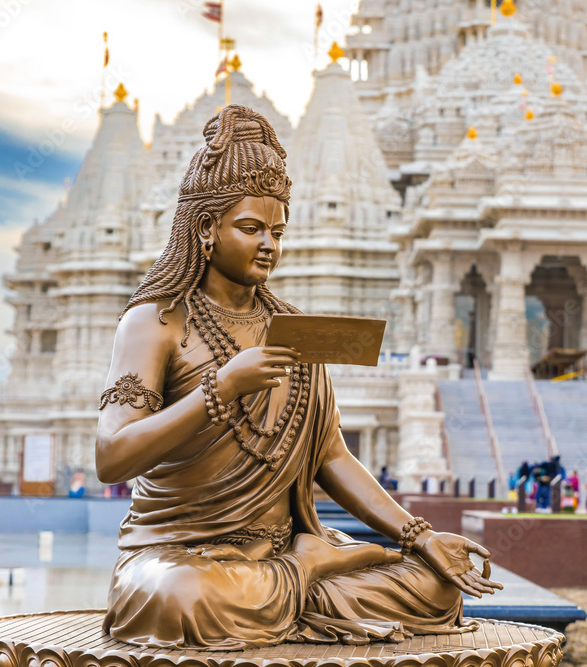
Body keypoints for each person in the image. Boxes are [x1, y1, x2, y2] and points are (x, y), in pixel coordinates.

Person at [94, 105, 501, 649]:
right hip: (178, 552)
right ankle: (307, 574)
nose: (269, 244)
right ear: (205, 229)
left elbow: (331, 455)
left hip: (276, 550)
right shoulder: (156, 321)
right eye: (250, 228)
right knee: (181, 599)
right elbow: (112, 456)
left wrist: (419, 535)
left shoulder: (292, 328)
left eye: (278, 231)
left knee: (435, 587)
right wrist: (222, 388)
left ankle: (305, 573)